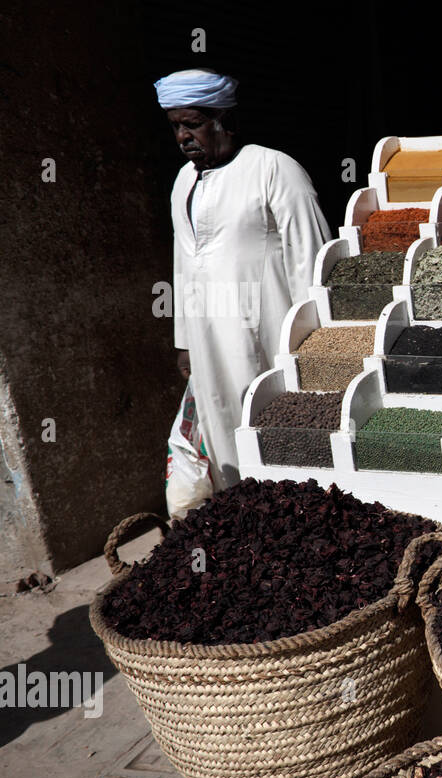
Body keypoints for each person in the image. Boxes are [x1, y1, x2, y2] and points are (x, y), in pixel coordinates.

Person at [157, 68, 330, 490]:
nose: (183, 137)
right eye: (176, 126)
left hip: (268, 331)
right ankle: (241, 517)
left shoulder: (274, 168)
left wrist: (317, 343)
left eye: (193, 124)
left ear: (226, 122)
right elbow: (185, 263)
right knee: (220, 423)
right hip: (207, 333)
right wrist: (184, 342)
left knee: (273, 428)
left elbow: (312, 256)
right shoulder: (183, 182)